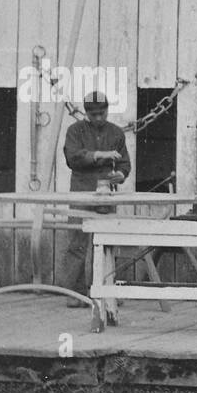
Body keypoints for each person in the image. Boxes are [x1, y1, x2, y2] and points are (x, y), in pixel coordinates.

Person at [60, 91, 131, 306]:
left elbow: (125, 164)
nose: (98, 118)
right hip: (81, 191)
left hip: (106, 193)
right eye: (93, 114)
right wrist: (99, 155)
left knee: (108, 243)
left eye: (102, 113)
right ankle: (76, 293)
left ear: (107, 110)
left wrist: (121, 175)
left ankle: (108, 291)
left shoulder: (116, 133)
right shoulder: (75, 131)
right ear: (86, 113)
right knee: (77, 243)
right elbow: (72, 158)